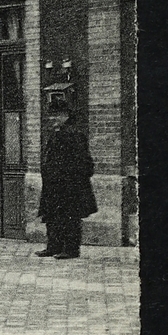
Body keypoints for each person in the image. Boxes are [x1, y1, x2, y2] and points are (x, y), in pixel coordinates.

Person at [37, 103, 98, 259]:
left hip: (69, 185)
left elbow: (84, 163)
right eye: (51, 115)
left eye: (57, 115)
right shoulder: (56, 133)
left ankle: (71, 250)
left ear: (66, 116)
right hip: (53, 184)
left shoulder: (74, 135)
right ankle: (53, 246)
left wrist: (70, 178)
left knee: (70, 217)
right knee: (52, 216)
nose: (53, 119)